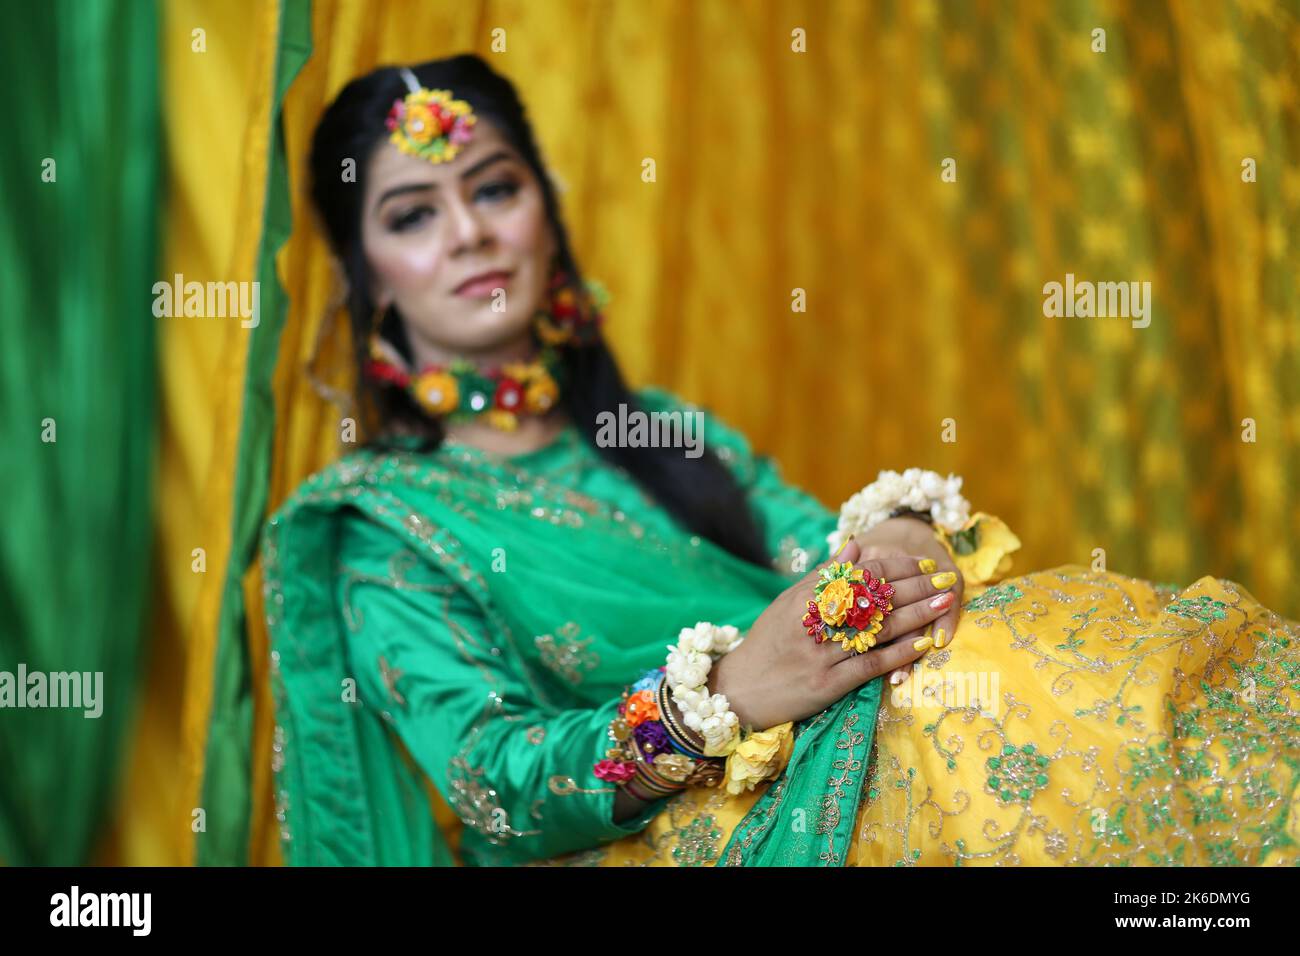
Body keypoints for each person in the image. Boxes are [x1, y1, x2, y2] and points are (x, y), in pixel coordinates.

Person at [261, 53, 1300, 867]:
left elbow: (815, 545)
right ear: (370, 281)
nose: (468, 235)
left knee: (1037, 655)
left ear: (545, 213)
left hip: (833, 748)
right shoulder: (380, 519)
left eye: (494, 189)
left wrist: (889, 542)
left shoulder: (652, 428)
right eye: (411, 214)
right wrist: (721, 697)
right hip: (648, 837)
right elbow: (495, 784)